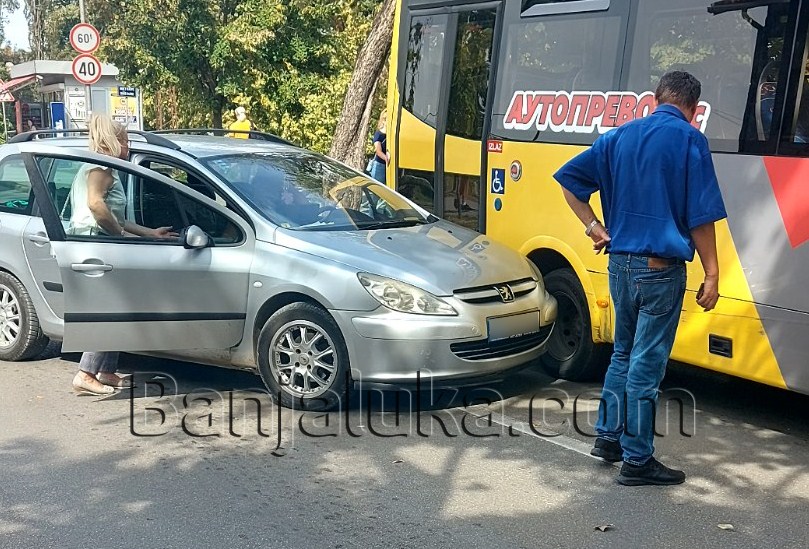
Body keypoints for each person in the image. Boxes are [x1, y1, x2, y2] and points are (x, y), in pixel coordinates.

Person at [553, 71, 727, 486]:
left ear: (654, 99)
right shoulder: (690, 140)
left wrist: (594, 227)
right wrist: (713, 272)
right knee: (646, 365)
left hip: (619, 265)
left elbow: (568, 180)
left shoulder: (618, 137)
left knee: (622, 354)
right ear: (694, 108)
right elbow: (701, 217)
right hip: (659, 271)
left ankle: (608, 439)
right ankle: (637, 459)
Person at [70, 113, 177, 395]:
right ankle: (85, 373)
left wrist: (149, 233)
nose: (129, 147)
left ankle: (105, 370)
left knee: (119, 309)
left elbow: (117, 217)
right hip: (96, 246)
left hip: (102, 243)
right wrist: (118, 233)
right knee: (109, 311)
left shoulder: (107, 169)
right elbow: (96, 206)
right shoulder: (101, 168)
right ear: (114, 142)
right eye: (126, 141)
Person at [368, 111, 389, 183]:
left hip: (388, 166)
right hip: (380, 165)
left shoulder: (391, 134)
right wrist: (386, 158)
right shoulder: (379, 134)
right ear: (383, 121)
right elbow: (378, 151)